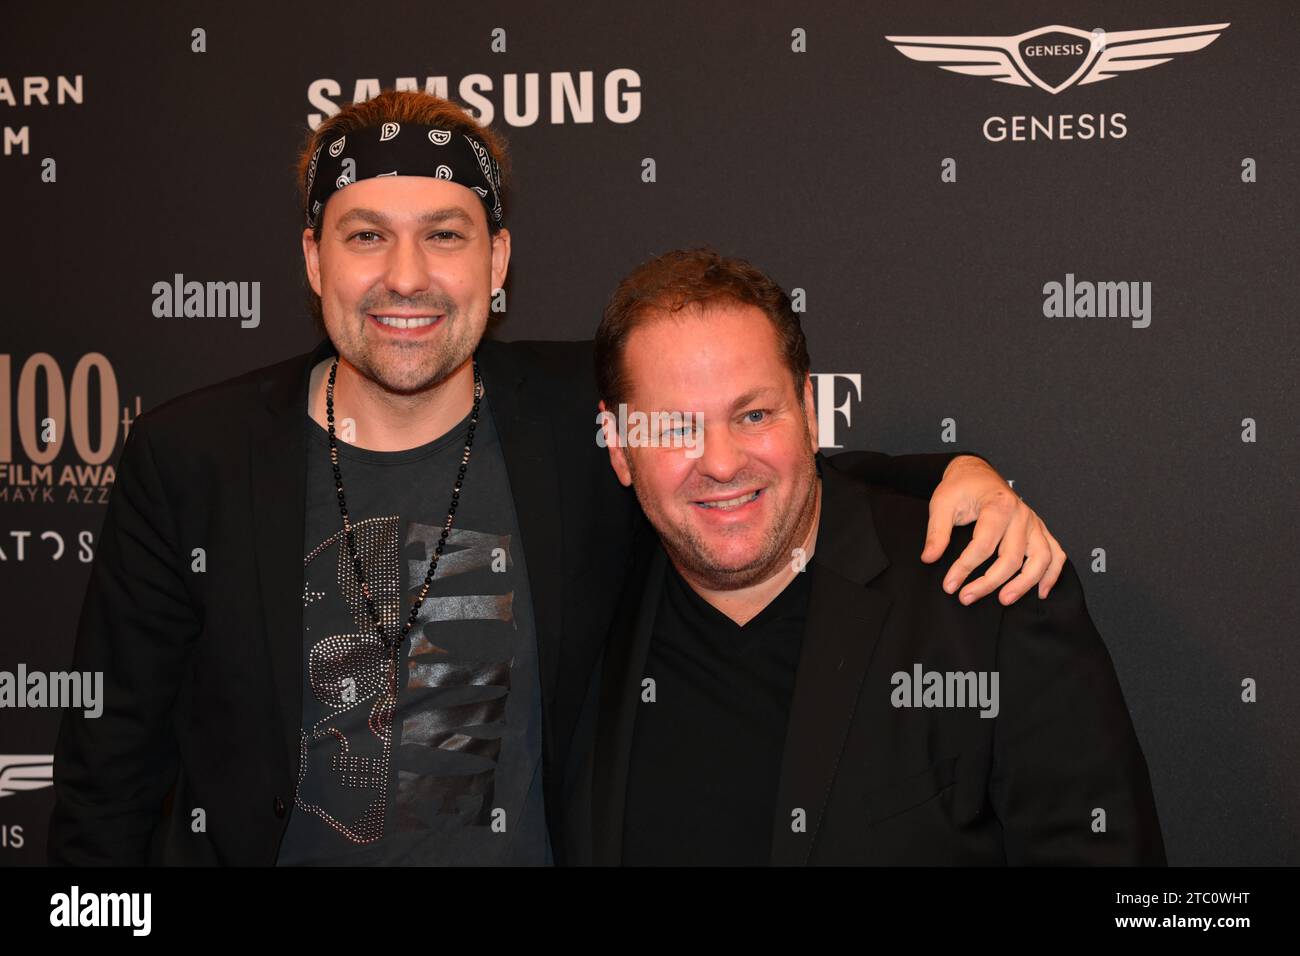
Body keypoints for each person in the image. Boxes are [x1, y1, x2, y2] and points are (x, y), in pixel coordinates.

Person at [48, 90, 1064, 866]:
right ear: (313, 259)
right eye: (366, 235)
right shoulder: (193, 456)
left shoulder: (576, 413)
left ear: (498, 260)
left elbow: (744, 445)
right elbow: (112, 767)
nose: (406, 276)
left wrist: (954, 468)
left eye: (445, 234)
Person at [567, 247, 1165, 865]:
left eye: (753, 414)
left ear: (809, 411)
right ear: (618, 444)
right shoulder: (583, 606)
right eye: (674, 428)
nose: (720, 462)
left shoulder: (990, 589)